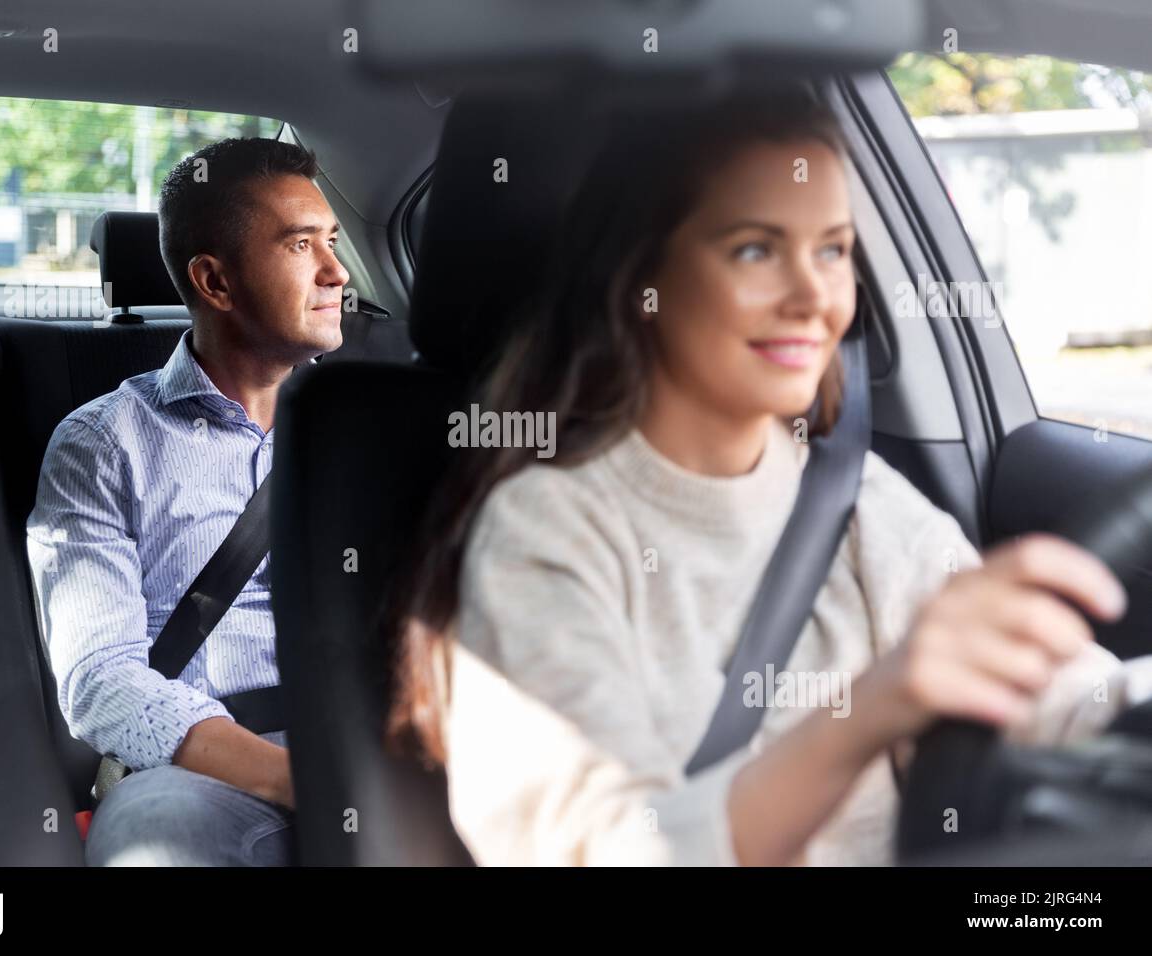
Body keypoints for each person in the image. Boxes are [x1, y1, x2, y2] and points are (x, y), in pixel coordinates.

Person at [385, 88, 1152, 866]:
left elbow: (1070, 704)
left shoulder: (856, 500)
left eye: (832, 250)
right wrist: (873, 708)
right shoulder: (545, 532)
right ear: (639, 277)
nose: (814, 296)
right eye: (755, 249)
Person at [27, 137, 348, 865]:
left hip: (368, 734)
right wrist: (304, 780)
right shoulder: (103, 443)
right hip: (201, 769)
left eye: (333, 242)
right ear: (215, 281)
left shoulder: (372, 424)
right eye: (304, 246)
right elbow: (101, 679)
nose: (339, 272)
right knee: (157, 849)